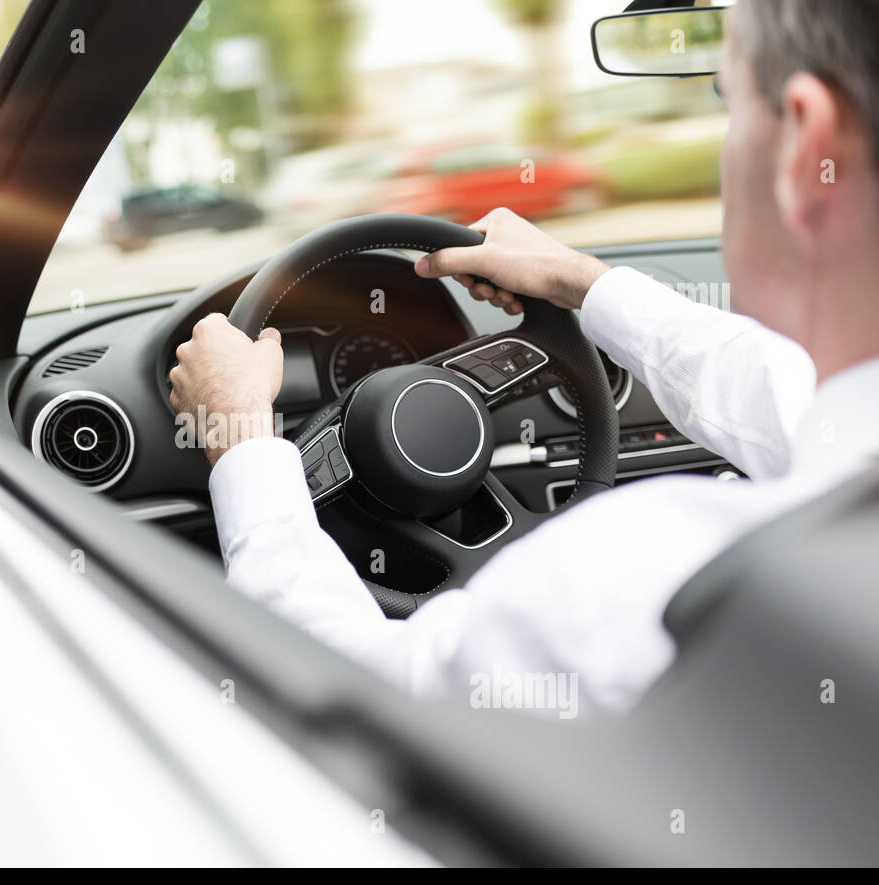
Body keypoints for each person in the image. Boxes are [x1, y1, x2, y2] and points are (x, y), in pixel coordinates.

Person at [168, 0, 879, 713]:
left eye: (729, 99)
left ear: (805, 147)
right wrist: (583, 283)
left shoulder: (632, 579)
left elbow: (360, 686)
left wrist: (242, 438)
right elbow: (793, 402)